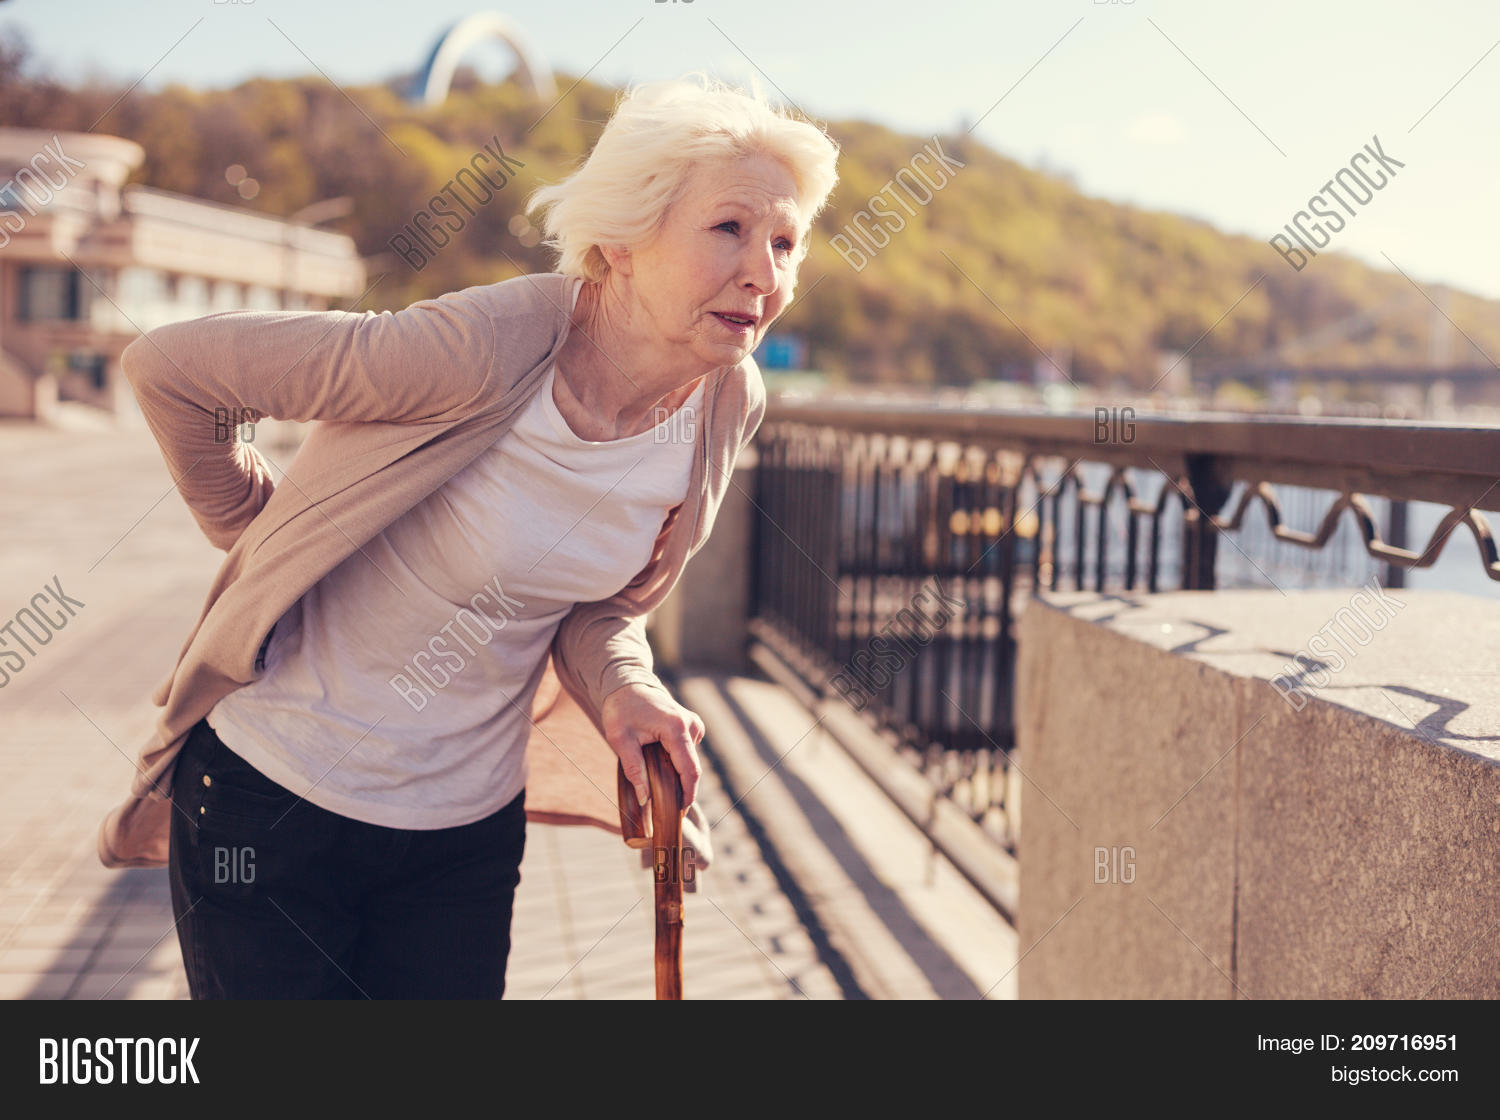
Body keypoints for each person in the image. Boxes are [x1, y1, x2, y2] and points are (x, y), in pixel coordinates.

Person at [103, 72, 840, 998]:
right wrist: (258, 532)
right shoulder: (481, 347)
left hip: (463, 836)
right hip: (272, 797)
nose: (764, 274)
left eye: (785, 243)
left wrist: (625, 690)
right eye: (729, 229)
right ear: (623, 236)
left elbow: (599, 606)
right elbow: (172, 368)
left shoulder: (726, 402)